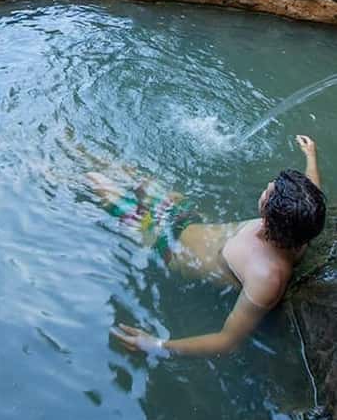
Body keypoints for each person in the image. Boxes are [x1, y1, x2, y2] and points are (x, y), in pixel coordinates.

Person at [88, 135, 327, 357]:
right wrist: (311, 156)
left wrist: (158, 346)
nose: (266, 189)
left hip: (163, 241)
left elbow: (227, 341)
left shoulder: (266, 277)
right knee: (125, 171)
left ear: (268, 216)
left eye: (267, 193)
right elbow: (311, 194)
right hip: (184, 216)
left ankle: (53, 173)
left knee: (96, 182)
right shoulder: (301, 225)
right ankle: (71, 145)